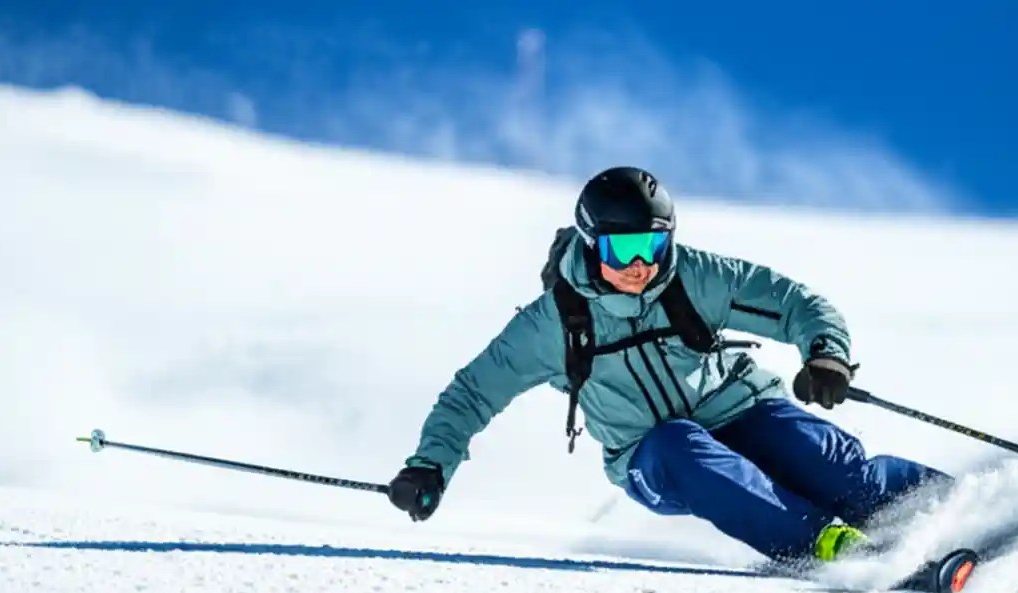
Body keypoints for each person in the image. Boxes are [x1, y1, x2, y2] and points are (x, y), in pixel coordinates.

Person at [387, 166, 951, 563]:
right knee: (681, 445)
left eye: (651, 248)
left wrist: (825, 354)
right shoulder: (551, 324)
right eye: (620, 251)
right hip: (649, 455)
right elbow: (471, 394)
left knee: (831, 466)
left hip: (741, 408)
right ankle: (829, 546)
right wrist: (429, 467)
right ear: (590, 245)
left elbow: (796, 304)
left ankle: (959, 512)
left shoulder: (694, 278)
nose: (638, 267)